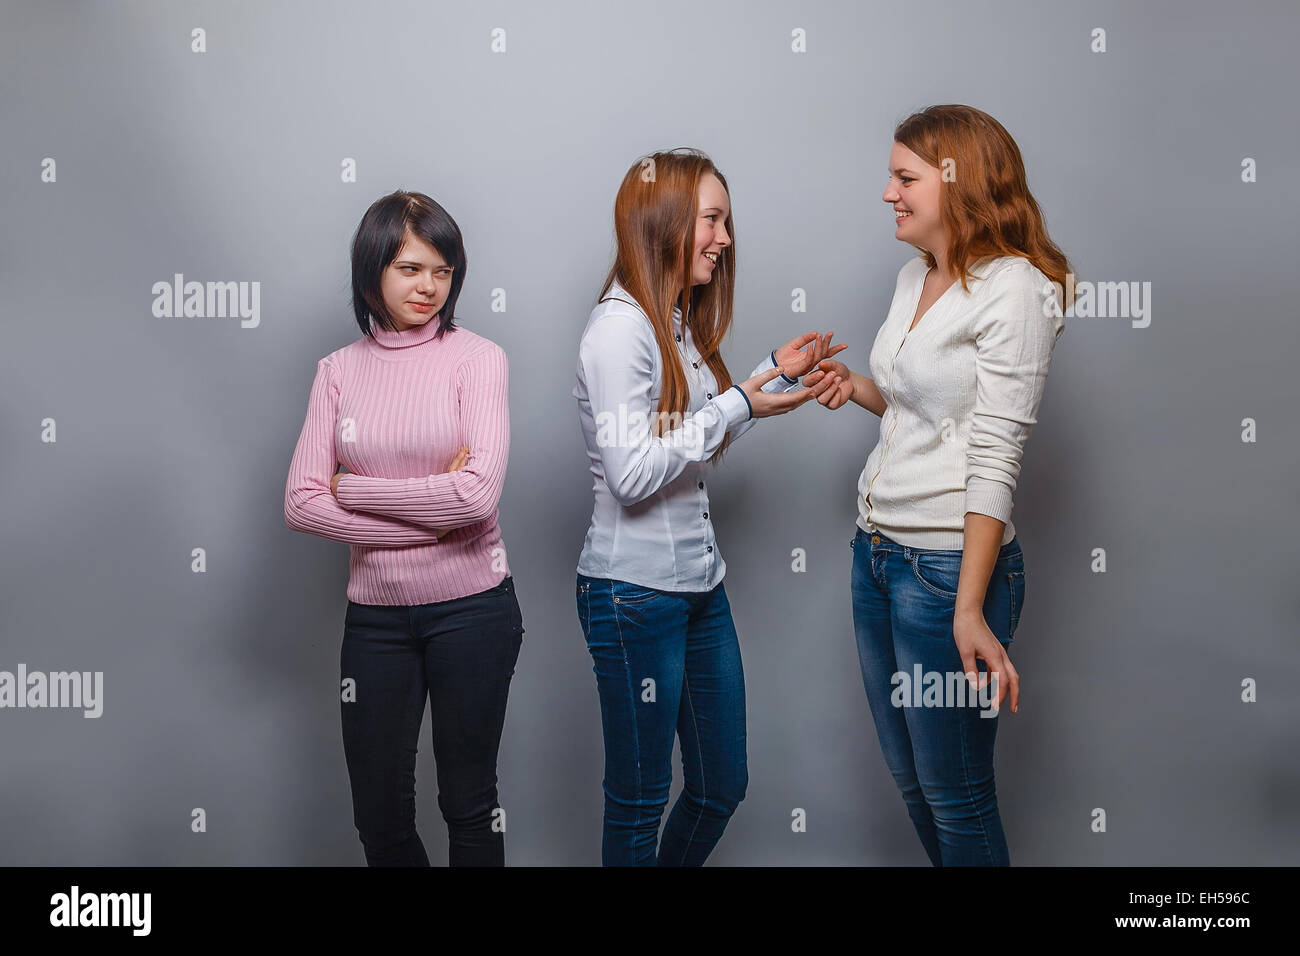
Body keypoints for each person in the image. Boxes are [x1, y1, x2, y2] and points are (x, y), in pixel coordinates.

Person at [804, 105, 1071, 865]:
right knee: (915, 783)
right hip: (878, 555)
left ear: (956, 183)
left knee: (956, 792)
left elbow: (994, 453)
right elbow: (928, 408)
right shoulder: (914, 275)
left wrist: (968, 609)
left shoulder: (1013, 289)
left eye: (904, 177)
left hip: (947, 571)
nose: (888, 192)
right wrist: (854, 384)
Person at [573, 148, 846, 865]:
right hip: (631, 594)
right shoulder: (618, 331)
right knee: (638, 804)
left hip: (699, 587)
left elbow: (693, 428)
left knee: (721, 785)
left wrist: (765, 379)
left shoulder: (674, 321)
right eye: (712, 220)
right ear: (663, 224)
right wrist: (738, 401)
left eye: (726, 221)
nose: (726, 239)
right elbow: (633, 472)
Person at [284, 190, 523, 866]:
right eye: (410, 269)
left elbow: (476, 497)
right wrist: (429, 519)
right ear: (372, 273)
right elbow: (301, 503)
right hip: (377, 620)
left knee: (469, 805)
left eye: (442, 271)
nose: (429, 286)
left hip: (474, 611)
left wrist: (354, 489)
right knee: (380, 816)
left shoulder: (478, 359)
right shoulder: (338, 372)